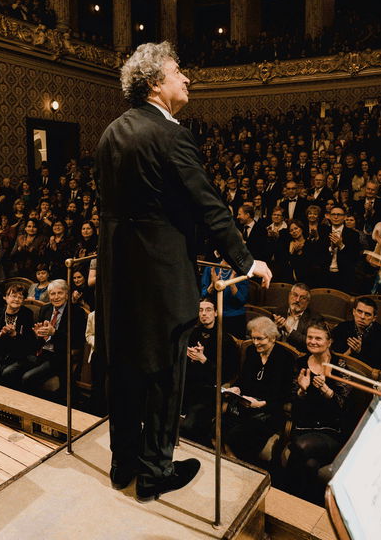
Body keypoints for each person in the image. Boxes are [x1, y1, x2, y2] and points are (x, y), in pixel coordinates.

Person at [95, 41, 272, 501]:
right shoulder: (171, 135)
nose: (187, 79)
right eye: (179, 72)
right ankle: (154, 473)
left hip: (119, 275)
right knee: (163, 373)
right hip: (160, 276)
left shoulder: (111, 132)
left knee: (126, 370)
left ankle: (122, 463)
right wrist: (246, 261)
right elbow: (208, 204)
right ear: (156, 83)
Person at [284, 321, 350, 503]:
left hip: (329, 431)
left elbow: (345, 407)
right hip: (304, 427)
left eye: (318, 338)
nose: (312, 341)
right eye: (310, 337)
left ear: (329, 342)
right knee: (310, 464)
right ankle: (304, 505)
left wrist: (327, 391)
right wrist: (302, 390)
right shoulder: (300, 363)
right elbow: (292, 404)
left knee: (299, 448)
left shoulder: (339, 366)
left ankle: (285, 498)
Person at [221, 316, 294, 466]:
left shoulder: (285, 357)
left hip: (269, 410)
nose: (255, 343)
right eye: (253, 338)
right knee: (218, 423)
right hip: (246, 404)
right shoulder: (251, 352)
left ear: (273, 338)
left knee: (239, 434)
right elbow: (243, 379)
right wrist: (237, 388)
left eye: (260, 339)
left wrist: (262, 404)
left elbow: (285, 393)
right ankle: (232, 460)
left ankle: (238, 463)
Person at [179, 299, 237, 444]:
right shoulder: (192, 333)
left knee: (189, 425)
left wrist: (204, 360)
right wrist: (187, 356)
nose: (204, 314)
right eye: (200, 310)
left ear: (216, 313)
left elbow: (226, 374)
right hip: (186, 386)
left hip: (208, 390)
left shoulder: (225, 339)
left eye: (208, 310)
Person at [331, 298, 381, 370]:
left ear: (374, 318)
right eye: (359, 311)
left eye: (367, 314)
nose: (362, 317)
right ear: (354, 312)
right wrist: (349, 352)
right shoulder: (342, 327)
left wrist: (360, 352)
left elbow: (380, 365)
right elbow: (333, 356)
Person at [271, 282, 323, 351]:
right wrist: (275, 328)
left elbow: (310, 343)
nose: (297, 300)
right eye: (295, 295)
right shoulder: (278, 312)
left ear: (307, 302)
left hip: (298, 355)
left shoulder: (314, 319)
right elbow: (267, 337)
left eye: (303, 298)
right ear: (289, 295)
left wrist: (289, 330)